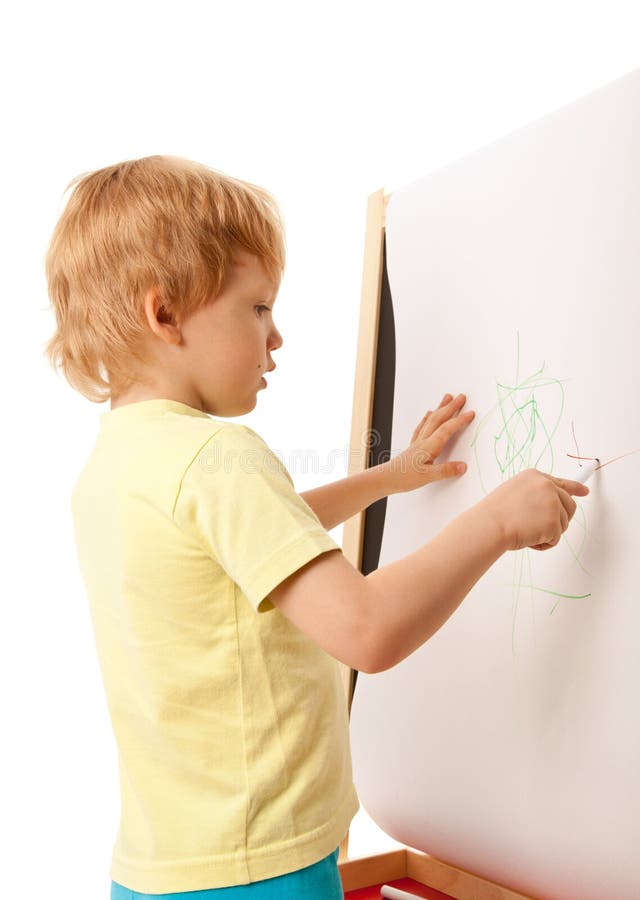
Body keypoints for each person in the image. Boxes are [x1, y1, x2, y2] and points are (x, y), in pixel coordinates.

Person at [44, 155, 589, 899]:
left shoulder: (118, 463)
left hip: (157, 872)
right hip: (261, 873)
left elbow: (260, 538)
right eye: (258, 308)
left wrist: (394, 478)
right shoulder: (215, 454)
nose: (276, 339)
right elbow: (366, 629)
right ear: (164, 314)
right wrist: (495, 520)